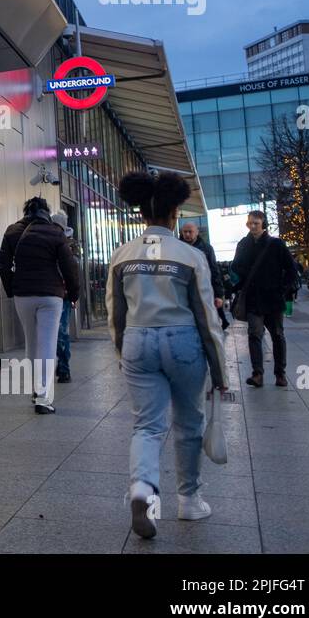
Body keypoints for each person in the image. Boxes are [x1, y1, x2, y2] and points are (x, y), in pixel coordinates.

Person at [108, 170, 228, 540]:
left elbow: (116, 315)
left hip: (138, 341)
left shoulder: (122, 255)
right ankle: (189, 500)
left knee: (146, 424)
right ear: (174, 214)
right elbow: (207, 317)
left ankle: (142, 487)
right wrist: (220, 372)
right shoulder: (190, 255)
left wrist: (121, 352)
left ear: (141, 213)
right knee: (189, 421)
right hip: (184, 341)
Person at [0, 196, 80, 414]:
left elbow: (3, 266)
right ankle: (43, 397)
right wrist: (73, 294)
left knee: (31, 342)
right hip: (50, 296)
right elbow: (69, 267)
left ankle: (36, 390)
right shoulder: (55, 232)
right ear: (46, 212)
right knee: (47, 344)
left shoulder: (12, 231)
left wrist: (12, 289)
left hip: (23, 295)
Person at [229, 210, 297, 387]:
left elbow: (291, 269)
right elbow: (235, 265)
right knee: (254, 335)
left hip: (273, 298)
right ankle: (257, 373)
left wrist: (282, 289)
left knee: (277, 335)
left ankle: (280, 373)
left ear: (263, 224)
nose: (252, 226)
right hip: (253, 298)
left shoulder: (276, 244)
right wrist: (243, 280)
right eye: (250, 223)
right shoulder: (244, 244)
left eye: (256, 223)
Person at [50, 212, 78, 383]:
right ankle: (62, 367)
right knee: (60, 333)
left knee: (61, 333)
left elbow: (72, 272)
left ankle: (63, 368)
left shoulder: (67, 246)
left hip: (62, 294)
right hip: (59, 293)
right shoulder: (65, 245)